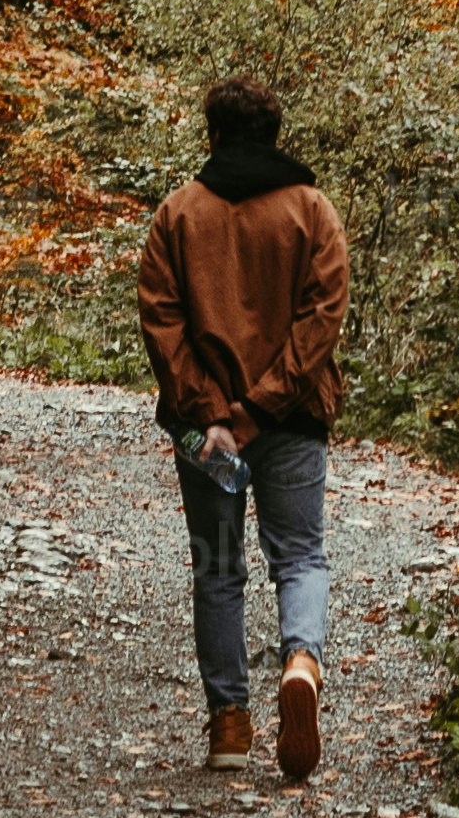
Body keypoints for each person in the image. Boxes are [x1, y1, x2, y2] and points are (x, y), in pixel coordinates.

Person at [132, 69, 350, 780]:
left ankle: (229, 726)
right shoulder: (311, 210)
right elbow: (323, 317)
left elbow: (161, 319)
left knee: (219, 570)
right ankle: (301, 661)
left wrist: (213, 414)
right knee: (300, 556)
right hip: (292, 419)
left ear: (214, 134)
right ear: (274, 135)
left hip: (209, 434)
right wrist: (264, 406)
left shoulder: (178, 213)